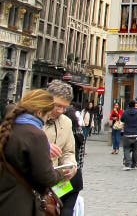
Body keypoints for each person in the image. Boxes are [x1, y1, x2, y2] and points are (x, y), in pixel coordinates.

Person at [0, 89, 70, 215]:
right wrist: (63, 172)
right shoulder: (36, 135)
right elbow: (46, 177)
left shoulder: (8, 127)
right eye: (48, 115)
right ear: (39, 112)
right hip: (21, 204)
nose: (47, 119)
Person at [44, 80, 80, 214]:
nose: (61, 111)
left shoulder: (66, 122)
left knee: (64, 209)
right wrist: (44, 147)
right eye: (57, 106)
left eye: (64, 107)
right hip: (34, 179)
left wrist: (71, 165)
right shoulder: (34, 118)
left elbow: (69, 151)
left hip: (56, 180)